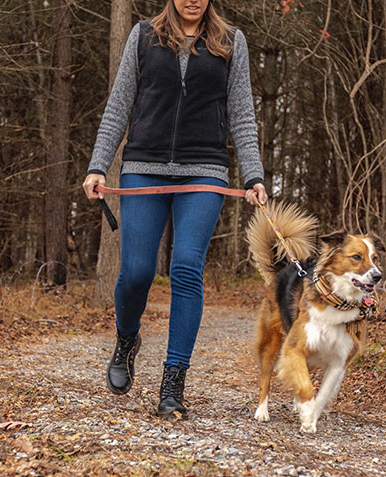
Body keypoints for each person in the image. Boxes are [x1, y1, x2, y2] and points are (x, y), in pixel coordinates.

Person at [82, 0, 267, 420]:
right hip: (143, 167)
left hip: (204, 171)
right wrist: (98, 166)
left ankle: (173, 382)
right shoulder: (144, 35)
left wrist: (253, 175)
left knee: (186, 267)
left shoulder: (231, 41)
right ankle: (127, 339)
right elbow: (118, 106)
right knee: (136, 273)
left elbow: (241, 114)